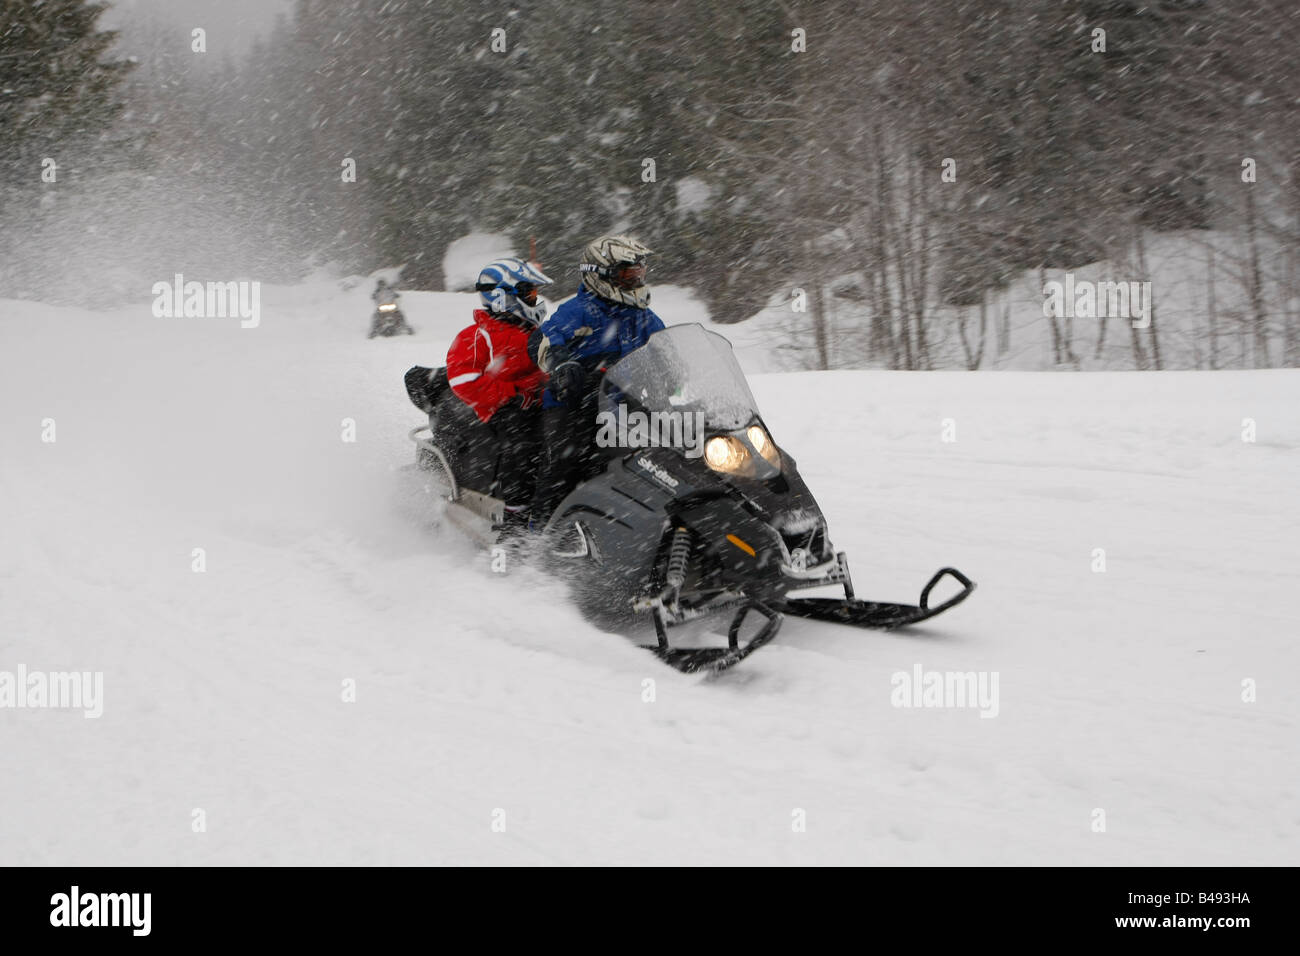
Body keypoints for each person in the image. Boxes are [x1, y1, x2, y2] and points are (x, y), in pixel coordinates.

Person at [528, 235, 665, 526]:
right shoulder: (579, 310)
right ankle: (536, 534)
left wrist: (678, 379)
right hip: (575, 403)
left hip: (627, 404)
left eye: (639, 273)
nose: (636, 281)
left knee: (670, 455)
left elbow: (666, 352)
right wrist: (562, 363)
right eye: (629, 275)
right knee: (565, 461)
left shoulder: (643, 317)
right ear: (601, 276)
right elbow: (544, 339)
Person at [445, 257, 553, 532]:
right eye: (529, 293)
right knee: (524, 443)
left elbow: (549, 366)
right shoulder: (478, 335)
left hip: (536, 403)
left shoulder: (534, 332)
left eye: (535, 293)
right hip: (498, 410)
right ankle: (513, 519)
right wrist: (511, 393)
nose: (535, 298)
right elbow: (464, 381)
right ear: (502, 296)